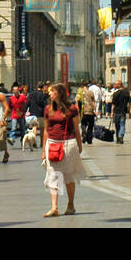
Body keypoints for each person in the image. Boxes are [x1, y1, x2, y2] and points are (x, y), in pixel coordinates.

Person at [41, 82, 85, 217]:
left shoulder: (71, 109)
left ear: (59, 93)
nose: (49, 93)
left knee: (68, 175)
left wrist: (79, 144)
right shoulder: (48, 109)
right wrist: (44, 149)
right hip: (53, 144)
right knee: (53, 175)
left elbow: (76, 129)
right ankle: (54, 207)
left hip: (68, 144)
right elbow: (46, 130)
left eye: (52, 91)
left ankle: (71, 205)